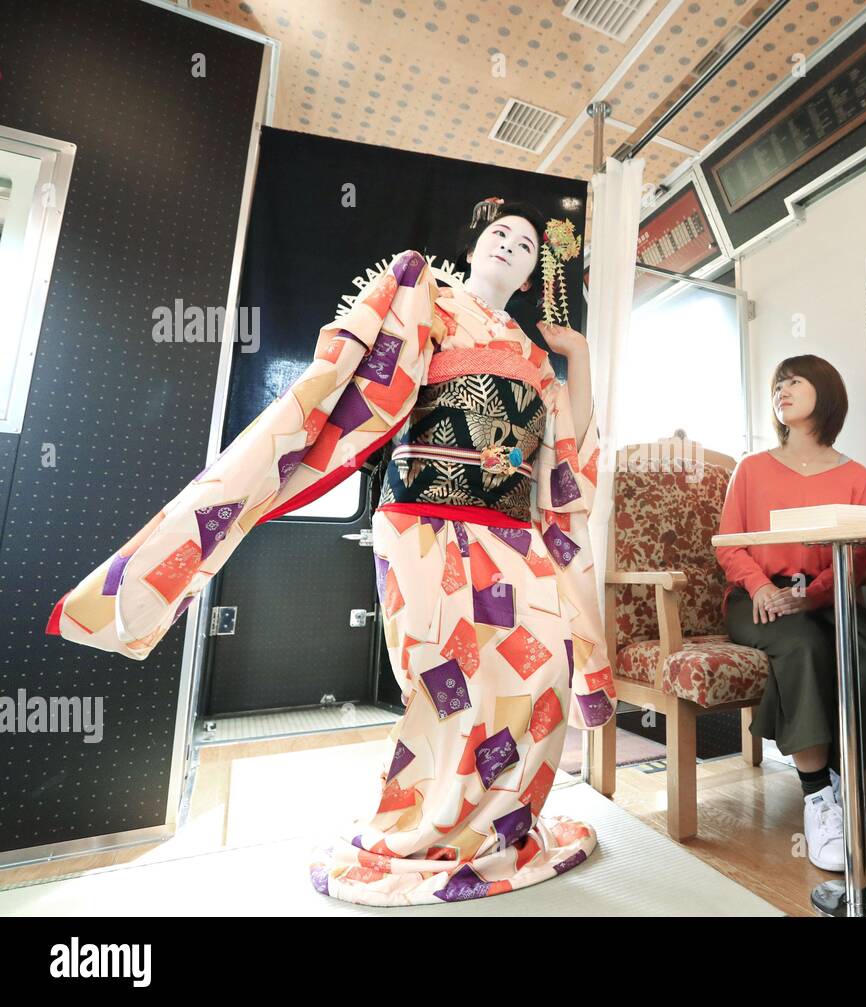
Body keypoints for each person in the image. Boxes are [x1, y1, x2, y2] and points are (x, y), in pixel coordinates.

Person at [46, 200, 616, 907]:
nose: (510, 243)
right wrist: (402, 289)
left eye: (526, 244)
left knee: (542, 680)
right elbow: (361, 374)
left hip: (510, 534)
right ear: (474, 247)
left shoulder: (534, 357)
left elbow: (571, 457)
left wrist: (578, 354)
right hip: (422, 520)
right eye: (500, 233)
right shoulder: (429, 300)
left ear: (534, 273)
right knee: (450, 683)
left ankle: (498, 831)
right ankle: (421, 830)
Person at [715, 354, 866, 872]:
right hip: (758, 600)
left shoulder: (856, 475)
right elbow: (729, 545)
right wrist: (761, 589)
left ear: (827, 392)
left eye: (795, 381)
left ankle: (844, 778)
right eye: (778, 383)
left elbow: (857, 555)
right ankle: (819, 798)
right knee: (803, 645)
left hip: (828, 596)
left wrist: (812, 595)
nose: (782, 389)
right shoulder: (750, 469)